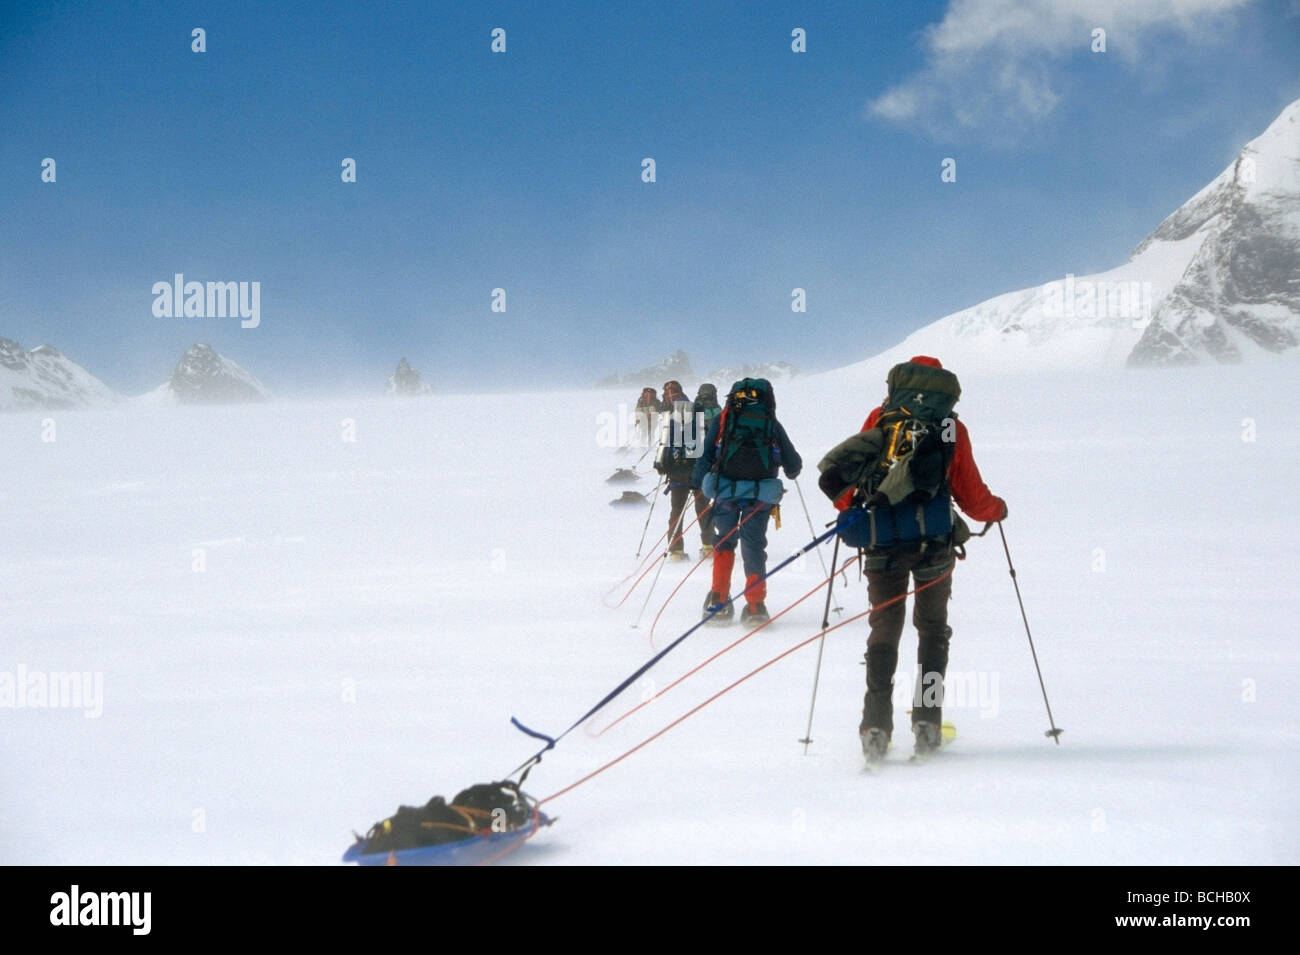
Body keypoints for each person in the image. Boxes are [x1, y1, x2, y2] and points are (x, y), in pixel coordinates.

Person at [817, 356, 1006, 763]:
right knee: (933, 630)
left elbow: (860, 473)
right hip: (934, 543)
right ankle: (928, 721)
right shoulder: (952, 427)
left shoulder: (880, 417)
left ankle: (875, 726)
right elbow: (970, 494)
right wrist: (997, 510)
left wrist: (851, 511)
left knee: (884, 629)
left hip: (884, 540)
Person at [691, 378, 801, 624]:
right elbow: (793, 463)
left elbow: (707, 454)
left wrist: (697, 483)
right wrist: (791, 471)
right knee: (753, 547)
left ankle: (718, 601)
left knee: (724, 541)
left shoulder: (724, 420)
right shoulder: (771, 423)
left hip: (725, 491)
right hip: (759, 496)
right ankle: (755, 606)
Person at [654, 380, 711, 561]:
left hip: (676, 469)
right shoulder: (696, 409)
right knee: (703, 507)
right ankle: (709, 546)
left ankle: (676, 551)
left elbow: (664, 441)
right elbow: (706, 437)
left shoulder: (670, 414)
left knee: (677, 510)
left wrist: (660, 463)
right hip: (698, 468)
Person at [691, 384, 722, 557]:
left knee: (701, 504)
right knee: (723, 503)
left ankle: (709, 544)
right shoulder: (719, 410)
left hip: (698, 462)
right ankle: (725, 538)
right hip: (718, 462)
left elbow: (689, 437)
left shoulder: (693, 410)